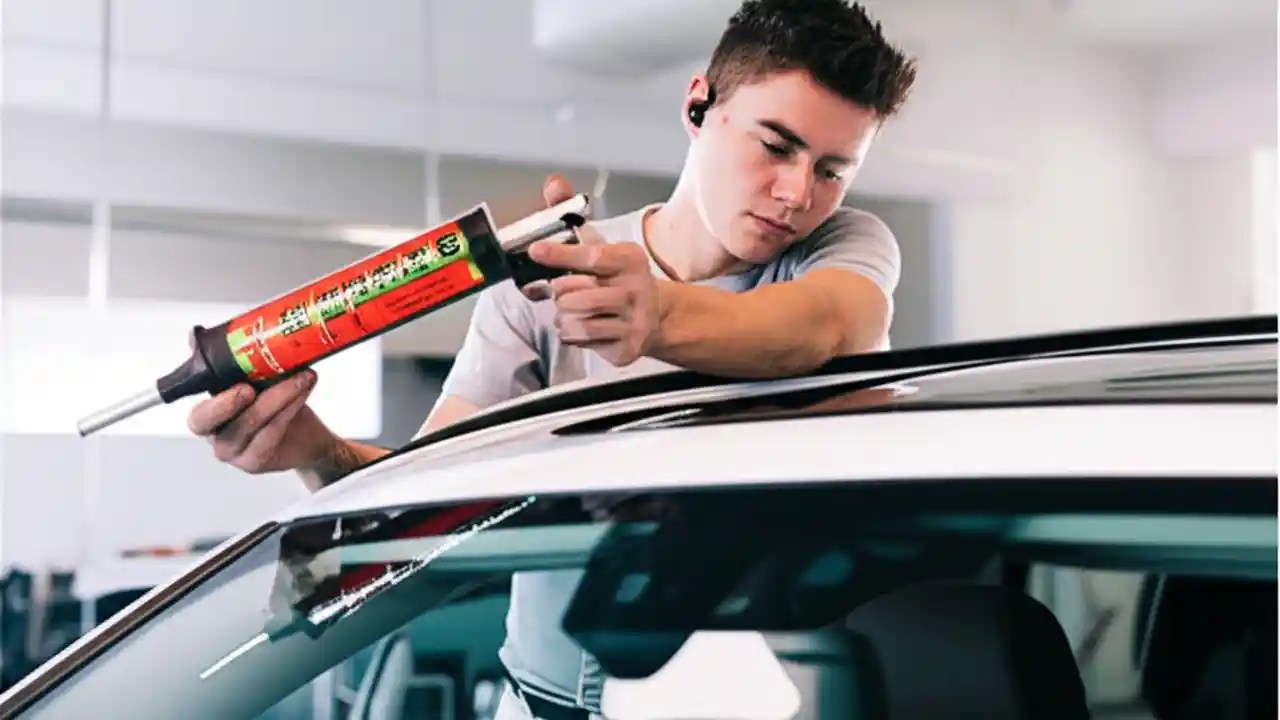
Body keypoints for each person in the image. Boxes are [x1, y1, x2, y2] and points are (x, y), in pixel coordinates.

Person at [188, 0, 917, 716]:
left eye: (831, 169)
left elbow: (830, 329)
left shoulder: (840, 251)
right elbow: (427, 516)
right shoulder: (544, 279)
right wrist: (314, 451)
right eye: (777, 145)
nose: (797, 193)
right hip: (533, 704)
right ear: (699, 105)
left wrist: (658, 314)